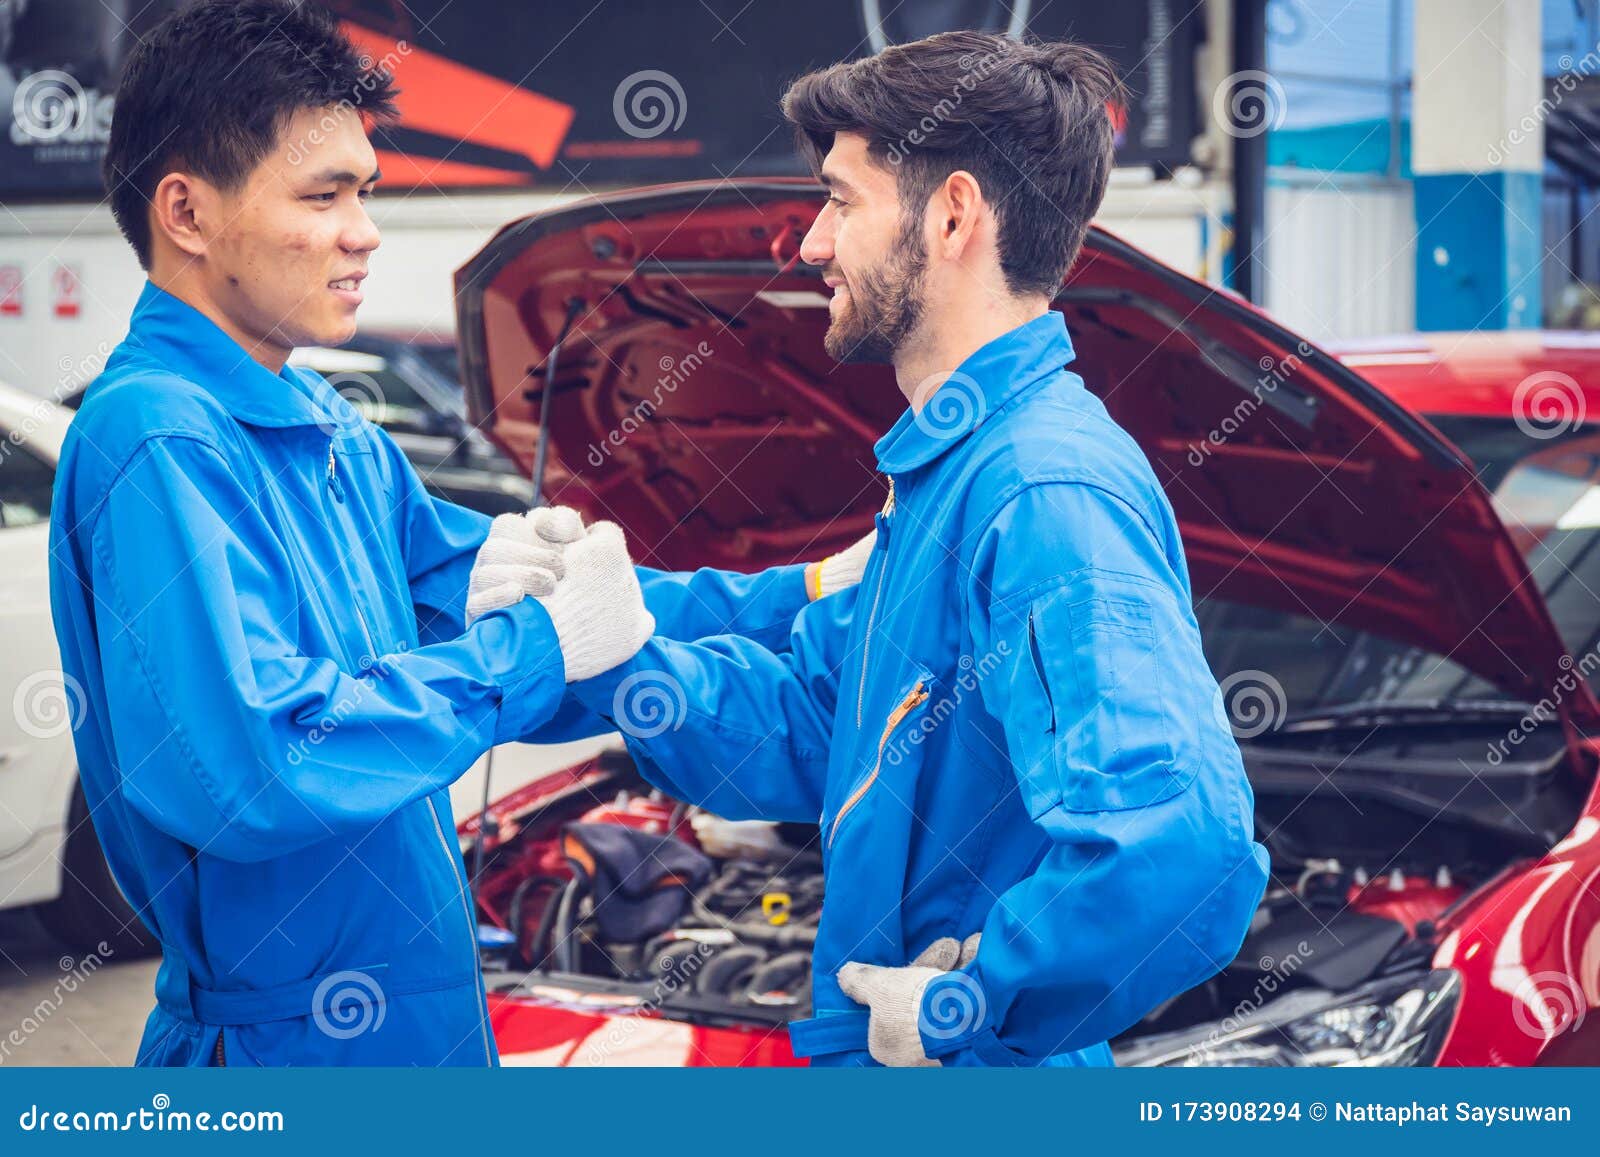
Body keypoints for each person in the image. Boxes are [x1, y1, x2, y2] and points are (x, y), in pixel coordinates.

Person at [47, 0, 859, 1068]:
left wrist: (794, 591)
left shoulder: (332, 435)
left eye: (366, 191)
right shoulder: (158, 441)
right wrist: (530, 652)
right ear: (188, 213)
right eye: (323, 195)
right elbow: (263, 763)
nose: (365, 230)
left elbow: (558, 604)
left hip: (419, 1018)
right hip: (286, 1049)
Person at [476, 32, 1271, 1067]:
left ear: (950, 215)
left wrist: (978, 994)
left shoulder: (1041, 491)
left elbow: (1184, 847)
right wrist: (620, 651)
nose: (808, 243)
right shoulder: (955, 478)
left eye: (841, 201)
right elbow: (813, 728)